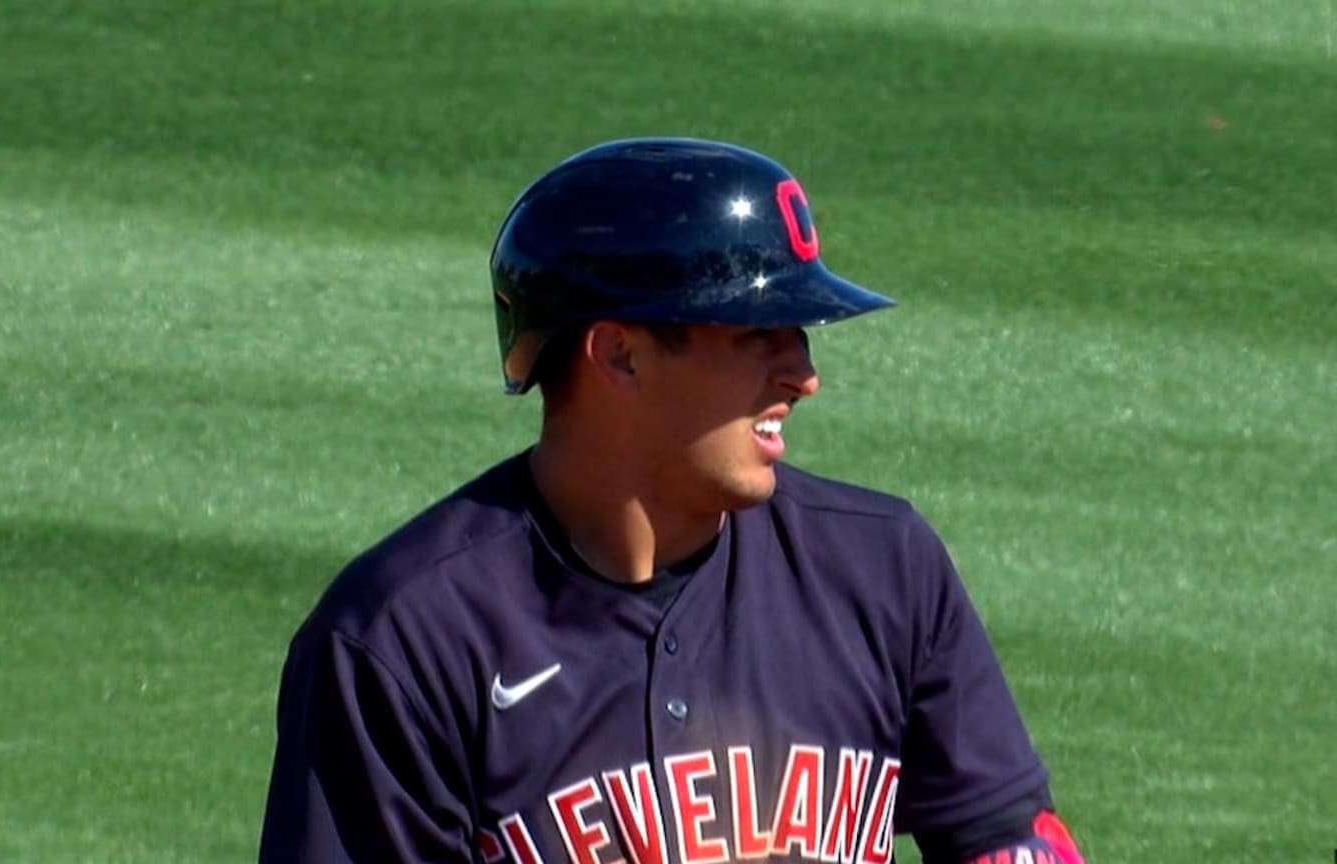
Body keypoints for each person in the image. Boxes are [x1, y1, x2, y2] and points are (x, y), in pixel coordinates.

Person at [258, 138, 1086, 864]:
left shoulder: (881, 568)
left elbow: (1005, 838)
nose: (803, 376)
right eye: (757, 334)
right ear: (618, 354)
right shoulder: (406, 641)